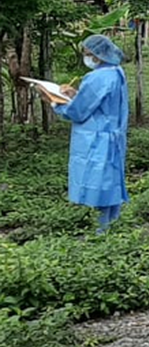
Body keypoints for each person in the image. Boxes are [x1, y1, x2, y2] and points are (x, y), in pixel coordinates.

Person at [36, 34, 130, 233]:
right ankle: (114, 229)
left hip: (97, 138)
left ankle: (101, 235)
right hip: (113, 136)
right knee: (110, 183)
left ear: (98, 54)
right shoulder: (116, 72)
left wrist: (54, 101)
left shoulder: (97, 77)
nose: (87, 58)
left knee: (98, 185)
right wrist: (74, 94)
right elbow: (99, 103)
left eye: (89, 54)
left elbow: (78, 112)